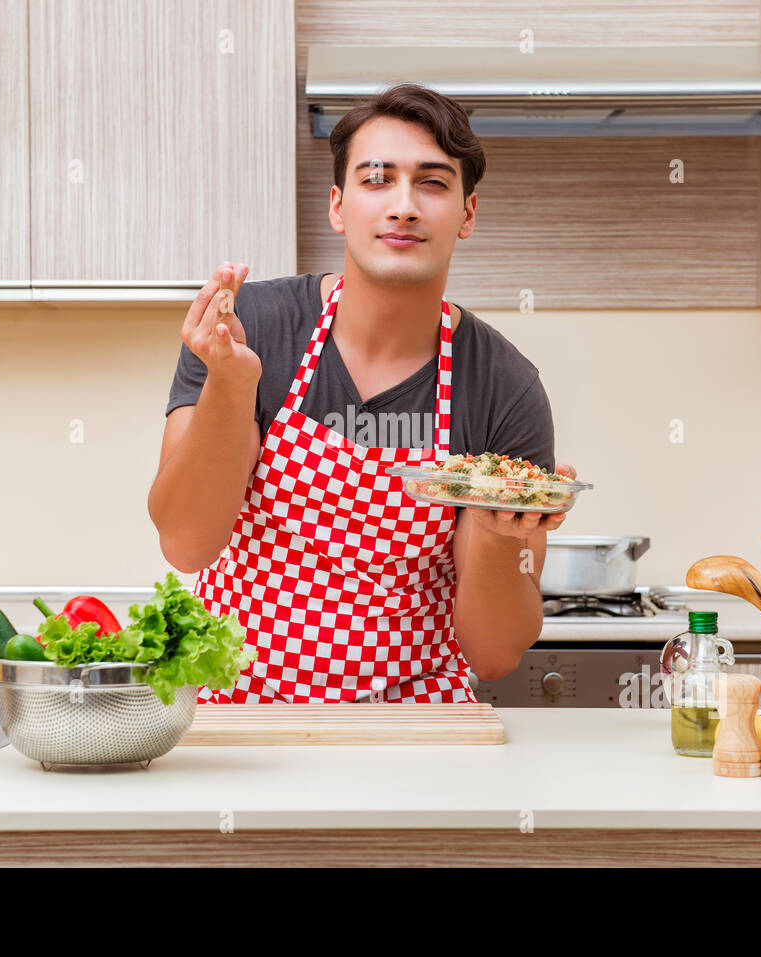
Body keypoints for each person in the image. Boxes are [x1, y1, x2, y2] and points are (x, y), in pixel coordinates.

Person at [148, 83, 577, 703]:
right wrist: (232, 385)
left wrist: (496, 529)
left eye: (432, 183)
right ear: (338, 206)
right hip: (234, 723)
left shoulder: (504, 387)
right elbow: (186, 544)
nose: (403, 206)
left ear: (467, 214)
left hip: (416, 728)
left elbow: (494, 652)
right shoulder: (253, 330)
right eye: (377, 180)